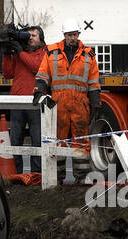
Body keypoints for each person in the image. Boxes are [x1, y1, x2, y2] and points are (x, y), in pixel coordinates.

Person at [33, 18, 100, 162]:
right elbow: (43, 74)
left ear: (78, 34)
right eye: (69, 35)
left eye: (75, 34)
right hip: (58, 103)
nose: (72, 38)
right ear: (64, 35)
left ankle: (81, 173)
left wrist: (95, 102)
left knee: (81, 139)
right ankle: (58, 173)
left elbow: (94, 81)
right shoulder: (51, 52)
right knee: (57, 138)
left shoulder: (88, 55)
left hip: (80, 103)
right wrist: (39, 90)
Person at [1, 25, 44, 172]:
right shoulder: (20, 54)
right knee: (15, 140)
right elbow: (7, 74)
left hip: (35, 103)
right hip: (17, 102)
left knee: (37, 140)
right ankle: (16, 172)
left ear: (41, 39)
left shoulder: (44, 53)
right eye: (28, 35)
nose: (30, 38)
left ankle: (36, 174)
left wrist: (20, 52)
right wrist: (7, 55)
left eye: (34, 35)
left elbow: (36, 68)